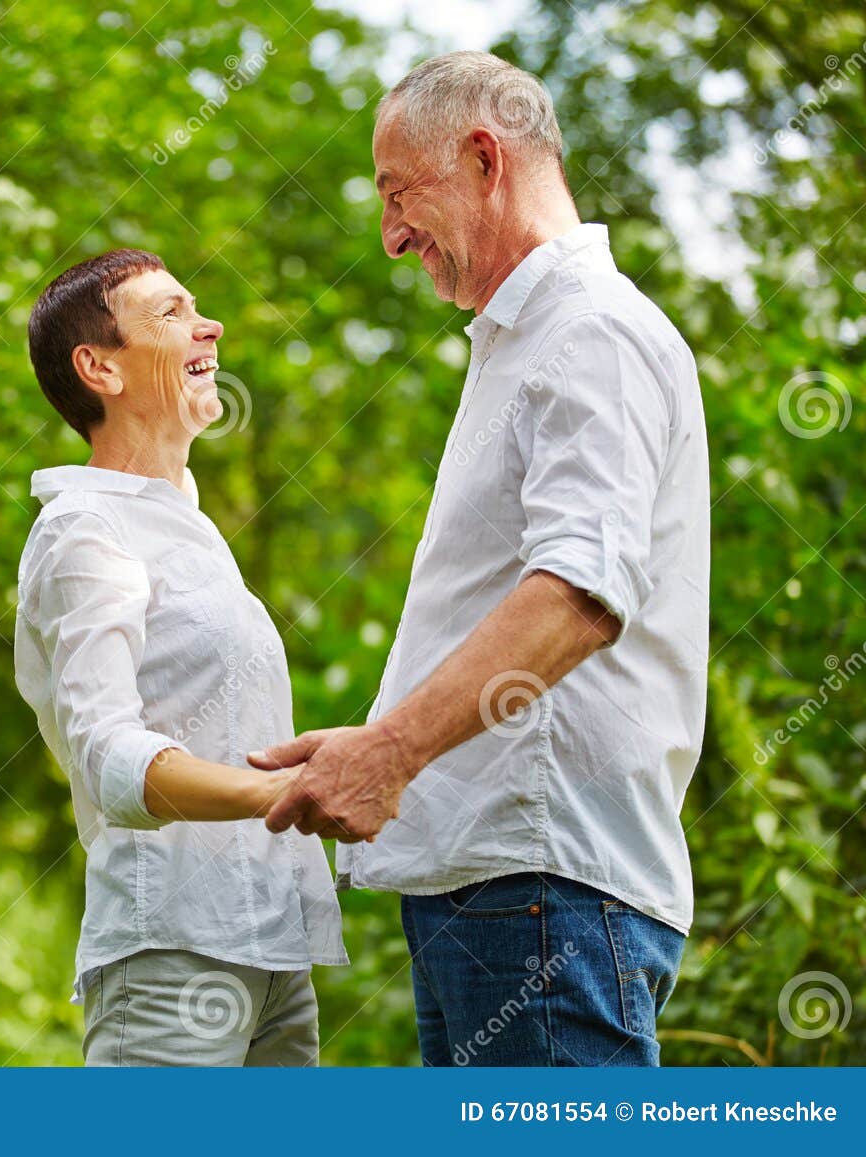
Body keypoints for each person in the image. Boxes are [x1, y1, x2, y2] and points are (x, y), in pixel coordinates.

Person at [250, 51, 710, 1066]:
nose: (389, 234)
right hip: (498, 889)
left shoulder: (591, 333)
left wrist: (389, 750)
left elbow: (579, 593)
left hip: (543, 888)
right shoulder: (524, 341)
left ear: (484, 160)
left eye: (396, 192)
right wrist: (379, 739)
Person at [14, 249, 347, 1066]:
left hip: (274, 955)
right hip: (169, 955)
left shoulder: (186, 528)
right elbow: (106, 751)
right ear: (100, 368)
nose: (210, 326)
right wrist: (281, 792)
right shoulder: (85, 530)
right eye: (171, 313)